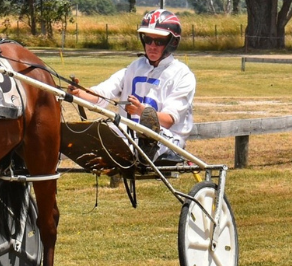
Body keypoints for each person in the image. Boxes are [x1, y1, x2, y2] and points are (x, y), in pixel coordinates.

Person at [68, 9, 196, 165]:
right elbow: (103, 93)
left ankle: (138, 151)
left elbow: (168, 120)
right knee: (94, 132)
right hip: (129, 134)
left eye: (159, 41)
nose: (152, 46)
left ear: (172, 42)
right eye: (148, 39)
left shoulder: (182, 75)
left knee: (145, 139)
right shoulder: (134, 67)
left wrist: (141, 111)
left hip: (167, 140)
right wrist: (80, 93)